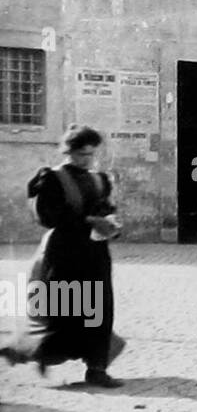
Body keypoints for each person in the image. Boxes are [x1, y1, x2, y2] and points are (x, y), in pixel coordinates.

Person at [1, 126, 126, 388]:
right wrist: (87, 220)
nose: (87, 159)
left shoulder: (99, 179)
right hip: (64, 252)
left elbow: (106, 208)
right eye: (81, 154)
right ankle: (25, 351)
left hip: (94, 252)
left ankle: (96, 369)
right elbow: (48, 217)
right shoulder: (52, 179)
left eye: (91, 154)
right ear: (68, 151)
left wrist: (109, 223)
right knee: (63, 310)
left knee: (98, 309)